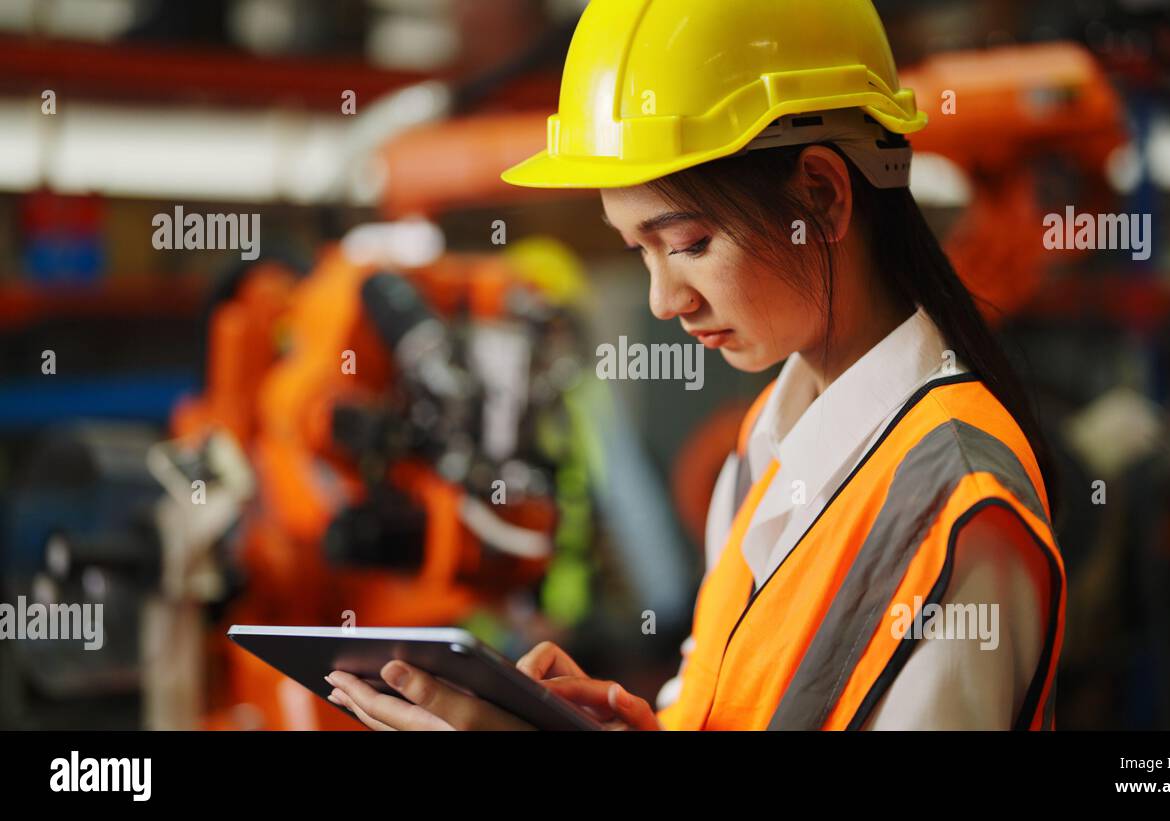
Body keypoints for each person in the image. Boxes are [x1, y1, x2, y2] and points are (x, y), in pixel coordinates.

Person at [327, 0, 1067, 731]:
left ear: (822, 196)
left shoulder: (960, 505)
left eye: (686, 242)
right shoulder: (765, 451)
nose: (662, 299)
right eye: (638, 251)